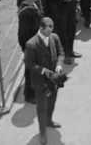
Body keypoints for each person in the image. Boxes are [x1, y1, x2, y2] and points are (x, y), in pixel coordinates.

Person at [24, 17, 64, 145]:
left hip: (53, 80)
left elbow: (61, 52)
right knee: (41, 108)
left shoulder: (54, 37)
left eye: (52, 27)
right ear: (41, 28)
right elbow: (29, 64)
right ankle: (42, 133)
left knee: (52, 102)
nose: (51, 31)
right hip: (40, 82)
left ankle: (49, 121)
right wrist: (42, 70)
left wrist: (59, 65)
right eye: (48, 28)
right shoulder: (31, 44)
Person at [17, 0, 43, 103]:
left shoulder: (33, 5)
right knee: (30, 71)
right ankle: (29, 94)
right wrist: (26, 48)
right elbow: (23, 34)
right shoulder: (26, 12)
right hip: (31, 45)